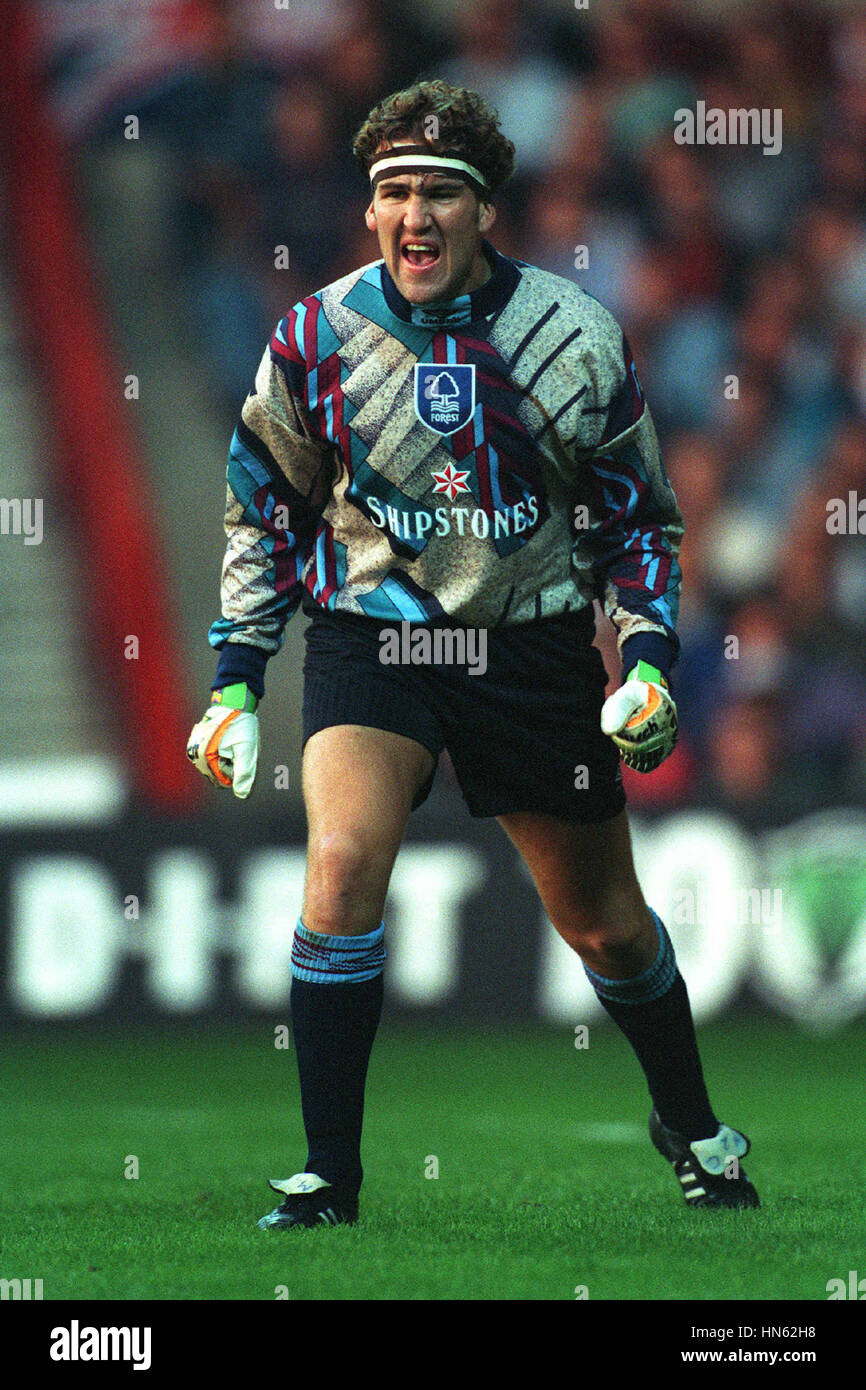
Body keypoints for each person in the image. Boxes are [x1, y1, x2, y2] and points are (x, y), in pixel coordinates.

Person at [187, 80, 759, 1228]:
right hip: (373, 642)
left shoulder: (574, 336)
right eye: (392, 191)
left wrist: (644, 660)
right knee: (341, 864)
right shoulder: (312, 339)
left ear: (483, 209)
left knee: (604, 924)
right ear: (366, 211)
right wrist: (235, 680)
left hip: (531, 648)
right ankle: (327, 1177)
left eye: (439, 193)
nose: (413, 214)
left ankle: (694, 1125)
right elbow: (268, 514)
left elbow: (635, 522)